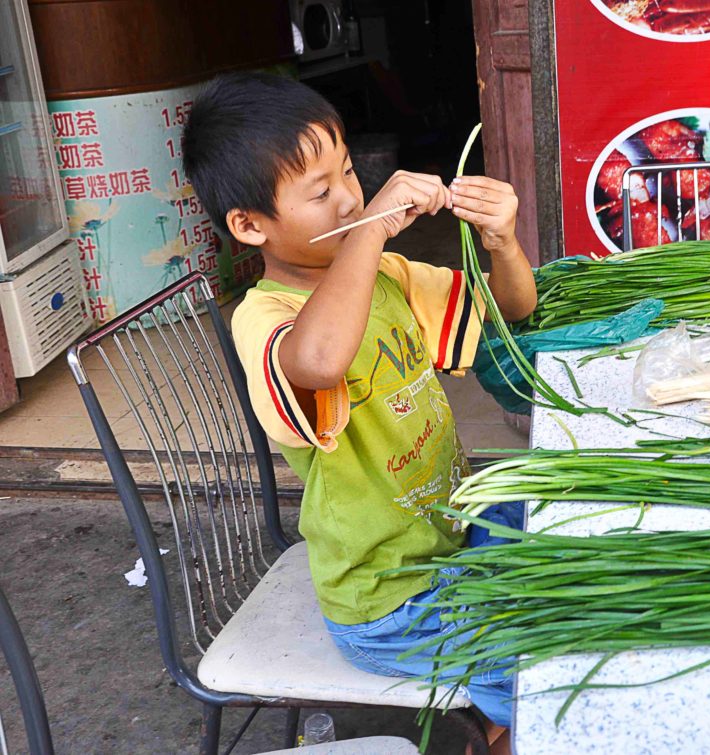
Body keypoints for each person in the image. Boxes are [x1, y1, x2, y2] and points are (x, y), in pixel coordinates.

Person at [182, 71, 535, 753]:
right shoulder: (264, 317)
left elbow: (509, 309)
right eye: (320, 192)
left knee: (562, 522)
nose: (349, 197)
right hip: (390, 599)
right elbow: (319, 361)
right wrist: (369, 233)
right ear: (250, 226)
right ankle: (504, 729)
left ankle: (493, 718)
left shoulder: (389, 278)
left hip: (451, 536)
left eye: (348, 171)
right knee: (545, 655)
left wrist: (504, 241)